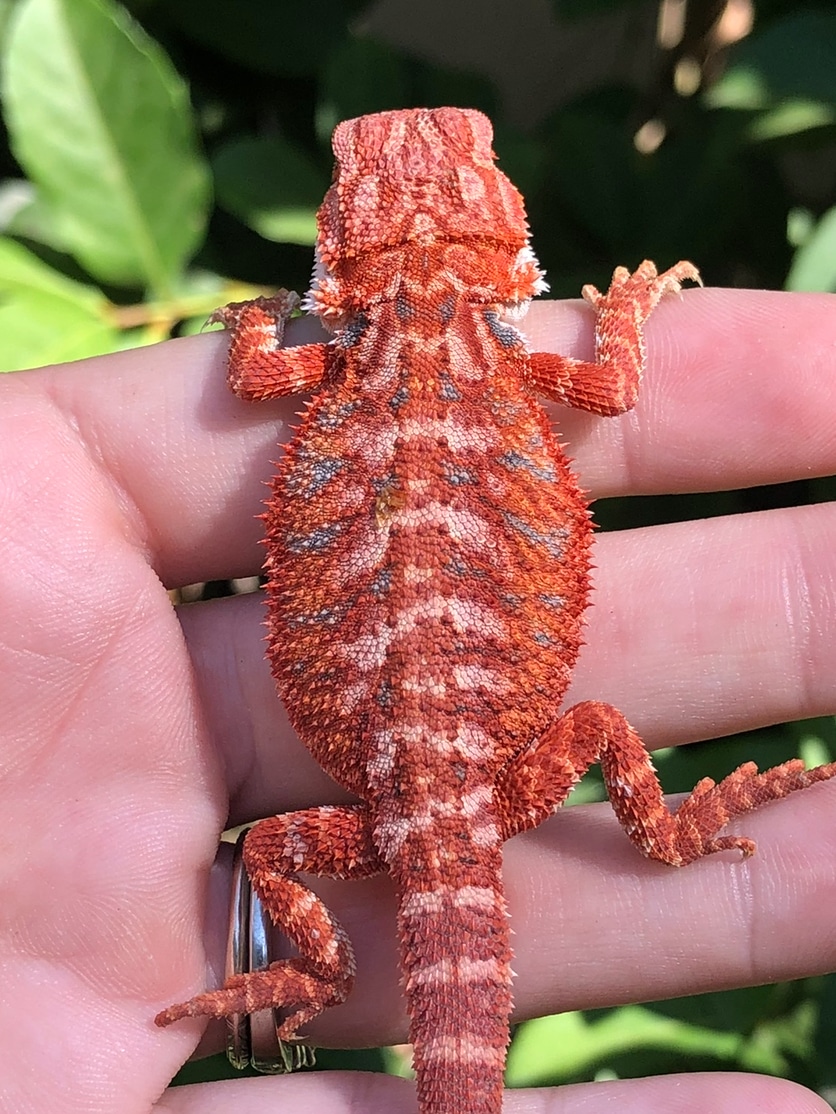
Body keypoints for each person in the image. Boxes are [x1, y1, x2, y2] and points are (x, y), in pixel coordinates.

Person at [1, 287, 834, 1113]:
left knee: (268, 850)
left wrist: (254, 318)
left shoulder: (340, 356)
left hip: (416, 794)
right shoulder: (497, 352)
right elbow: (611, 388)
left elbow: (256, 375)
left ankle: (326, 969)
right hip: (477, 793)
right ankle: (668, 834)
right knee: (594, 730)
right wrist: (621, 312)